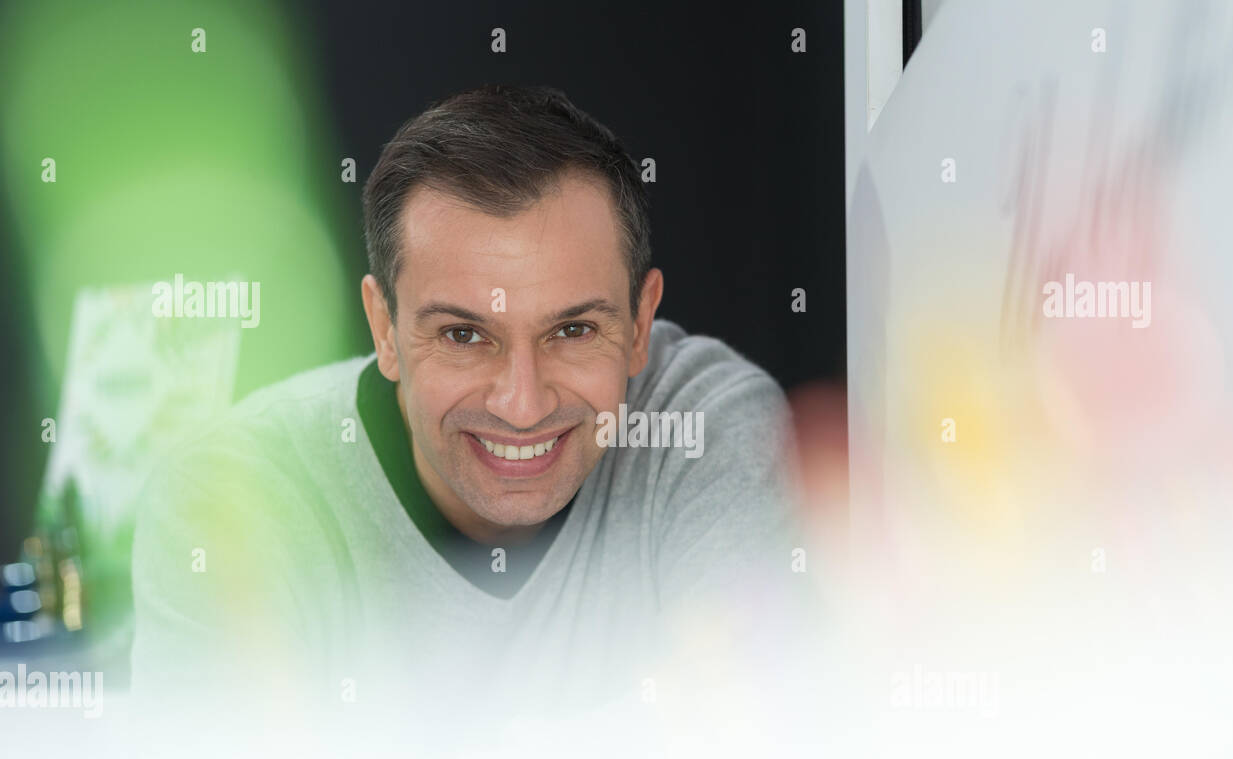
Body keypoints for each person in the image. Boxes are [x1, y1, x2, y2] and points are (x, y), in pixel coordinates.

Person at [131, 84, 799, 719]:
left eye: (572, 331)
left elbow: (754, 758)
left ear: (639, 326)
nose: (521, 404)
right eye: (463, 334)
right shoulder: (226, 498)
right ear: (384, 329)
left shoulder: (704, 423)